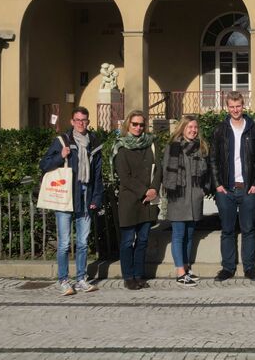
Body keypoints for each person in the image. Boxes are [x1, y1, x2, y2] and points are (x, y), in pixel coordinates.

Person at [39, 106, 104, 296]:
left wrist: (96, 197)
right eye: (77, 120)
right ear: (72, 121)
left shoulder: (94, 142)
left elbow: (98, 174)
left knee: (83, 242)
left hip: (86, 195)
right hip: (66, 197)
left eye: (84, 120)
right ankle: (63, 280)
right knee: (65, 243)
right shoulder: (62, 141)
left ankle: (81, 279)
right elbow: (44, 165)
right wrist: (61, 156)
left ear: (88, 122)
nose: (80, 123)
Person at [209, 91, 255, 282]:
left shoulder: (254, 130)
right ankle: (228, 268)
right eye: (232, 107)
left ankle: (249, 268)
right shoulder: (220, 130)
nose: (235, 110)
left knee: (248, 230)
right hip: (226, 189)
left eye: (238, 106)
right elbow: (213, 159)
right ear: (227, 107)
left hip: (248, 188)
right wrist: (217, 185)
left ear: (243, 106)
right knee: (227, 230)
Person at [113, 110, 161, 291]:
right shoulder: (121, 146)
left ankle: (139, 275)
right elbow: (124, 177)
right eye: (134, 124)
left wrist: (154, 189)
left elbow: (159, 168)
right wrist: (144, 192)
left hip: (148, 200)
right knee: (127, 241)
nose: (138, 127)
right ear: (128, 124)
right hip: (130, 200)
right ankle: (128, 276)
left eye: (141, 124)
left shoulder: (151, 143)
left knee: (142, 240)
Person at [162, 114, 209, 287]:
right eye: (189, 127)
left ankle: (187, 268)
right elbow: (166, 171)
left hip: (195, 197)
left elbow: (206, 173)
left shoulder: (200, 147)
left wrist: (203, 190)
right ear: (182, 128)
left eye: (195, 127)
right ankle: (180, 271)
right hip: (178, 196)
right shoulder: (173, 147)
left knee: (190, 235)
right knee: (179, 235)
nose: (193, 130)